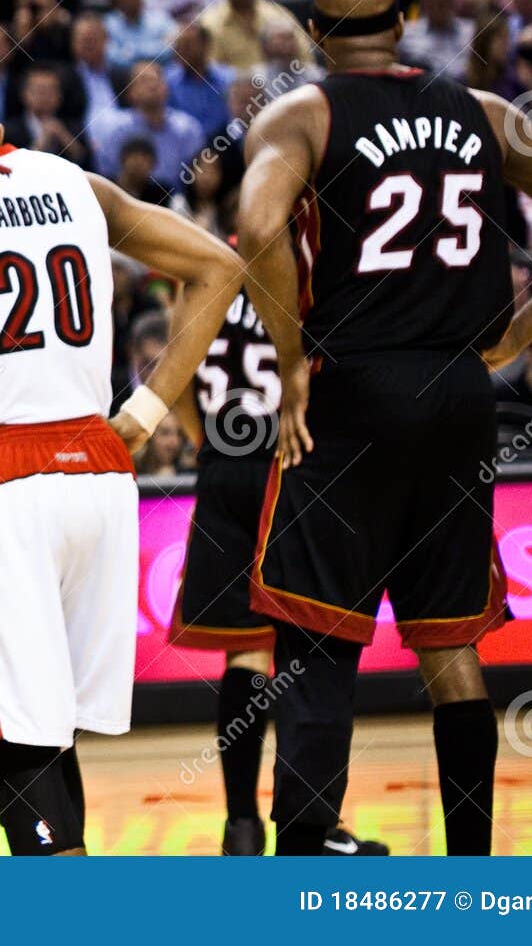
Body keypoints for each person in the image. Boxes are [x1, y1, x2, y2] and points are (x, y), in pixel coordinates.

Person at [238, 0, 532, 856]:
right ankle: (469, 859)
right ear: (402, 23)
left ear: (317, 37)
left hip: (353, 386)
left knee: (315, 621)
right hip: (460, 393)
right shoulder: (483, 110)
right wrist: (521, 331)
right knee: (449, 635)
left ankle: (311, 833)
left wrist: (290, 364)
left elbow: (256, 224)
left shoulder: (303, 113)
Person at [0, 74, 241, 855]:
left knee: (8, 726)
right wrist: (149, 409)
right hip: (98, 461)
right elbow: (219, 266)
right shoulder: (73, 181)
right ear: (1, 129)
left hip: (1, 471)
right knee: (49, 724)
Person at [169, 281, 389, 857]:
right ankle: (314, 828)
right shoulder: (306, 268)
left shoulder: (201, 268)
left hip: (224, 461)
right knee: (305, 649)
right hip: (291, 461)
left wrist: (208, 443)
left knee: (244, 650)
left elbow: (171, 369)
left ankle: (241, 825)